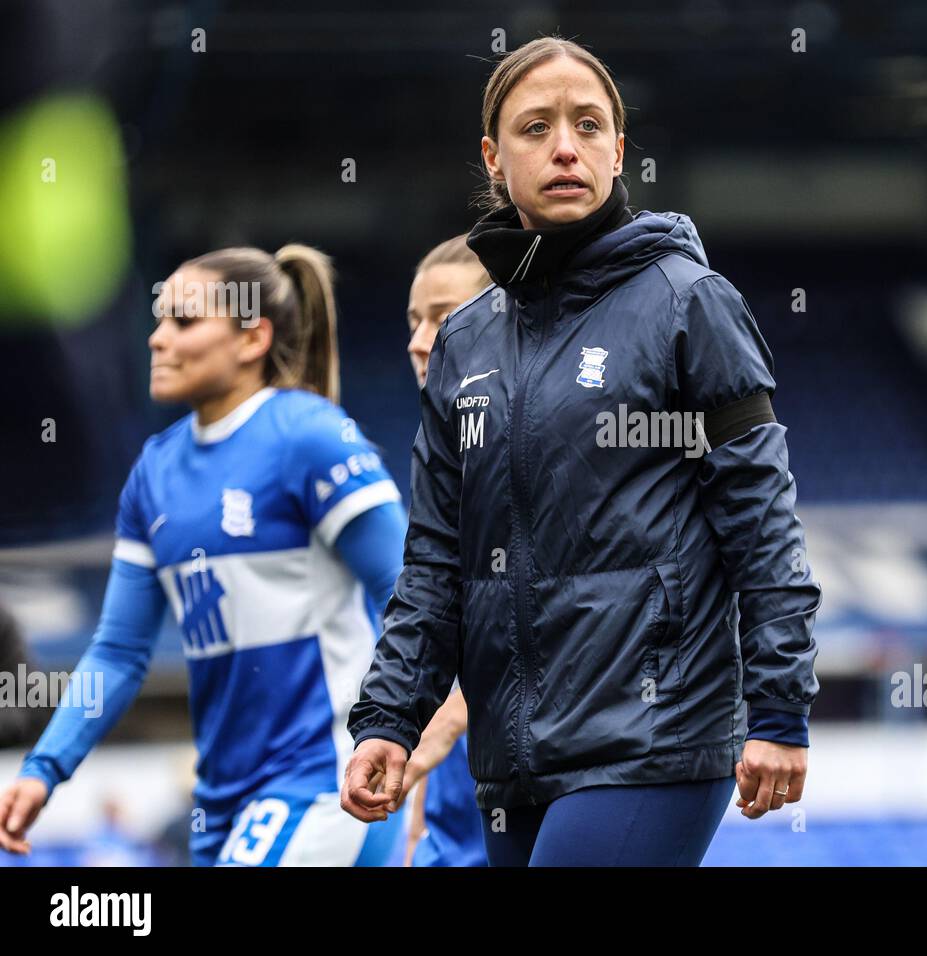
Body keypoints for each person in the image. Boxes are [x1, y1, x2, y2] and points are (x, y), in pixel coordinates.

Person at [342, 36, 820, 866]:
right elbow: (434, 563)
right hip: (515, 760)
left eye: (589, 125)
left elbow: (762, 523)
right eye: (536, 127)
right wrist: (390, 717)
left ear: (618, 150)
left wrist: (780, 710)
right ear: (494, 158)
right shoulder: (464, 341)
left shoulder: (688, 305)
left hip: (656, 737)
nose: (566, 147)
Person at [0, 244, 405, 866]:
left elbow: (409, 594)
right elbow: (118, 651)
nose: (158, 340)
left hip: (326, 784)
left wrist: (412, 738)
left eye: (184, 322)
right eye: (159, 320)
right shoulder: (155, 471)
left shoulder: (309, 436)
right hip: (221, 802)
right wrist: (45, 766)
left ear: (252, 339)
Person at [398, 236, 491, 868]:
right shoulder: (439, 459)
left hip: (541, 794)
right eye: (413, 320)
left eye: (441, 316)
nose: (418, 340)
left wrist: (451, 715)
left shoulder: (545, 450)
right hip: (453, 822)